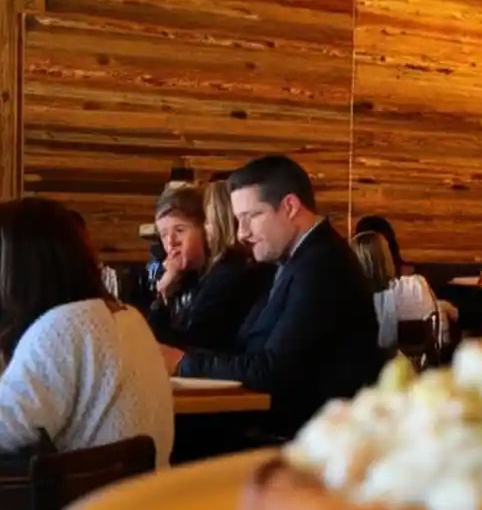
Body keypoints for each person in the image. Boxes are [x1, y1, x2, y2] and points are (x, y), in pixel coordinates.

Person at [169, 155, 382, 436]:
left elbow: (272, 371)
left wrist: (182, 363)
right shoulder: (293, 260)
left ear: (290, 206)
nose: (242, 233)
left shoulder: (323, 264)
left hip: (306, 441)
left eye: (252, 217)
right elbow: (246, 349)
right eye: (237, 220)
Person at [0, 198, 174, 460]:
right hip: (143, 495)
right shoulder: (125, 317)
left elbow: (6, 431)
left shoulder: (62, 328)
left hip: (90, 499)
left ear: (18, 264)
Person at [148, 184, 270, 352]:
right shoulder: (184, 278)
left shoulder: (228, 271)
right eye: (163, 235)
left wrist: (161, 300)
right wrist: (163, 297)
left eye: (180, 230)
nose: (171, 242)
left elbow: (188, 345)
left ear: (204, 230)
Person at [351, 231, 455, 349]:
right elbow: (438, 332)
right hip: (418, 364)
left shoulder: (345, 302)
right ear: (386, 257)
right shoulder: (416, 287)